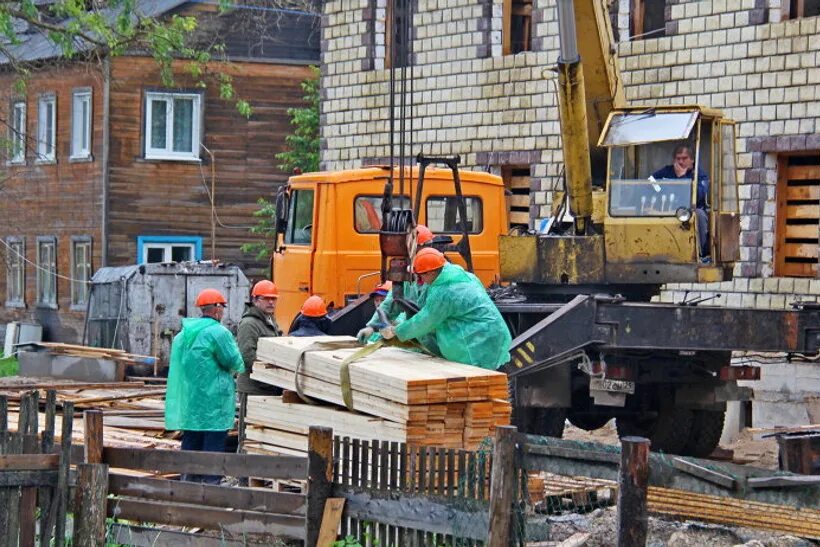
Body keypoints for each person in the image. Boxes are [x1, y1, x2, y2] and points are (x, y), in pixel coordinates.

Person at [379, 248, 511, 369]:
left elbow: (425, 321)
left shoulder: (445, 291)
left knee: (476, 381)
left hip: (477, 343)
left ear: (431, 272)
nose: (421, 281)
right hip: (491, 334)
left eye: (421, 276)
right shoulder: (461, 276)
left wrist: (396, 331)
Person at [165, 288, 244, 483]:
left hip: (192, 403)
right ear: (216, 309)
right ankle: (211, 491)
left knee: (191, 445)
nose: (223, 311)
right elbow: (234, 362)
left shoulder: (184, 335)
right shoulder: (219, 333)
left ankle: (187, 487)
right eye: (222, 307)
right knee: (213, 450)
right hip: (215, 405)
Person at [356, 225, 435, 343]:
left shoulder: (437, 279)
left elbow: (428, 318)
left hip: (441, 343)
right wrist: (372, 327)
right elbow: (390, 303)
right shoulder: (409, 279)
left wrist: (397, 330)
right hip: (421, 342)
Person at [236, 280, 283, 456]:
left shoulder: (270, 321)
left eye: (274, 299)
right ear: (256, 300)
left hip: (268, 387)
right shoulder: (250, 324)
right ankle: (242, 474)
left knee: (263, 433)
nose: (271, 302)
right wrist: (270, 372)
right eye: (267, 299)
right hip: (253, 388)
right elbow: (247, 356)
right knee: (248, 433)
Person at [652, 145, 710, 260]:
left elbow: (699, 195)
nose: (681, 162)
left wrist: (681, 177)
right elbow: (650, 181)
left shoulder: (699, 174)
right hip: (667, 207)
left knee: (700, 215)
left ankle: (701, 253)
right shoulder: (667, 171)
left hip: (690, 211)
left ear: (692, 160)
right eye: (678, 159)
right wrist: (660, 191)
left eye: (684, 158)